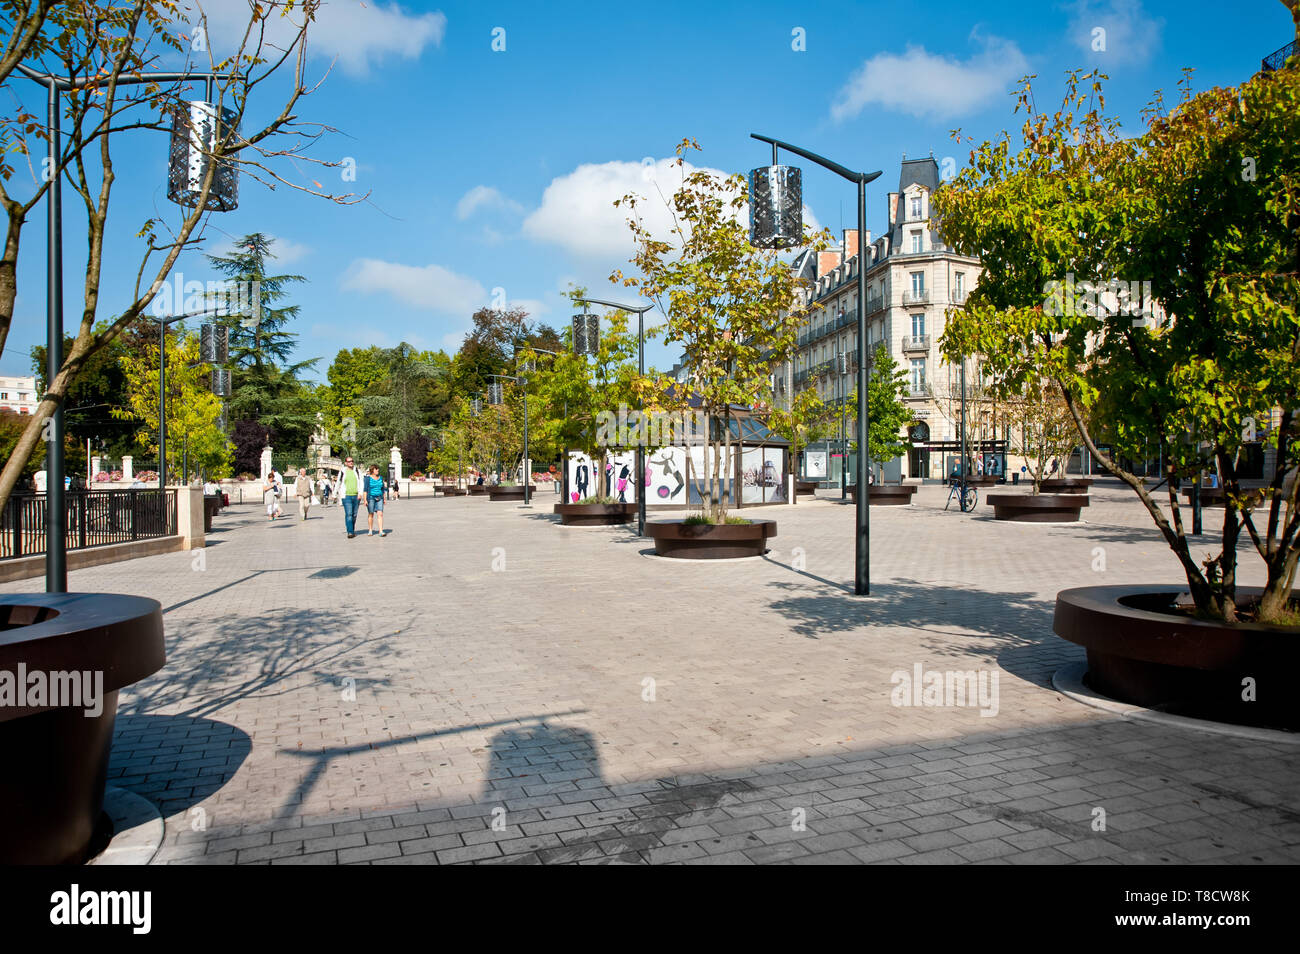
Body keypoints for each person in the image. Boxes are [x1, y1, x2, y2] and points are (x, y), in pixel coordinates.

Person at [338, 456, 365, 538]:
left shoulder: (357, 471)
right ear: (345, 463)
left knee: (354, 515)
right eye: (349, 461)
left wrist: (360, 493)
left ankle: (351, 529)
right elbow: (338, 482)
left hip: (356, 495)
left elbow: (361, 482)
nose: (351, 462)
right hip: (346, 496)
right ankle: (350, 532)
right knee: (349, 514)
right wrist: (334, 494)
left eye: (352, 461)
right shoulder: (343, 471)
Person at [364, 464, 386, 537]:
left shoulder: (381, 478)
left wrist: (384, 498)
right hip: (371, 497)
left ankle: (381, 531)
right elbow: (365, 490)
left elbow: (382, 489)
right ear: (372, 470)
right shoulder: (368, 478)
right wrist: (365, 500)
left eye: (378, 469)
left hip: (379, 497)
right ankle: (370, 530)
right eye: (376, 469)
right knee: (371, 513)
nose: (377, 470)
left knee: (380, 514)